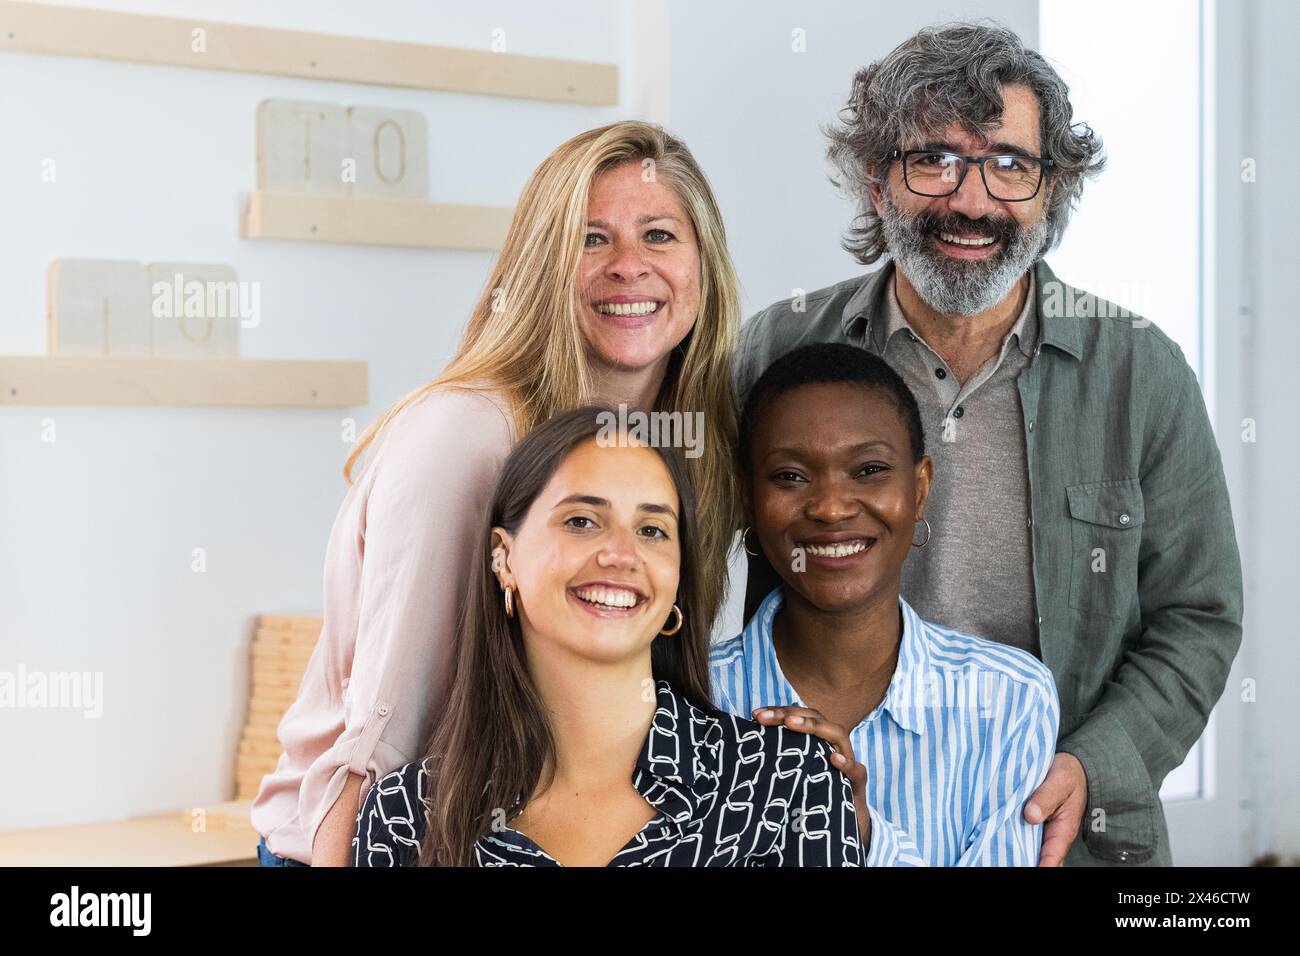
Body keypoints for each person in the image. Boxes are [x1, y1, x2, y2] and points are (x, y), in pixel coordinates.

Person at [732, 22, 1243, 866]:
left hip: (1059, 830)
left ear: (1053, 190)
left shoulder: (1139, 370)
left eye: (1011, 164)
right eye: (934, 159)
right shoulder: (775, 351)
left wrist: (1096, 764)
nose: (972, 202)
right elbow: (663, 549)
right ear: (875, 181)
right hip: (816, 824)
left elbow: (1199, 618)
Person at [252, 121, 743, 865]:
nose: (629, 267)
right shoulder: (468, 436)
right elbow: (386, 730)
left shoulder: (687, 447)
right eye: (591, 239)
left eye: (660, 236)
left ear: (704, 267)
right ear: (543, 264)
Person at [352, 407, 862, 867]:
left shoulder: (791, 782)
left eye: (652, 530)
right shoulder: (406, 815)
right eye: (581, 521)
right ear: (503, 557)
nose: (621, 555)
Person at [713, 343, 1059, 865]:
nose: (830, 508)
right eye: (790, 476)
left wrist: (862, 836)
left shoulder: (1008, 698)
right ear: (746, 500)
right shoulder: (691, 697)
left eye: (869, 469)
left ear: (919, 488)